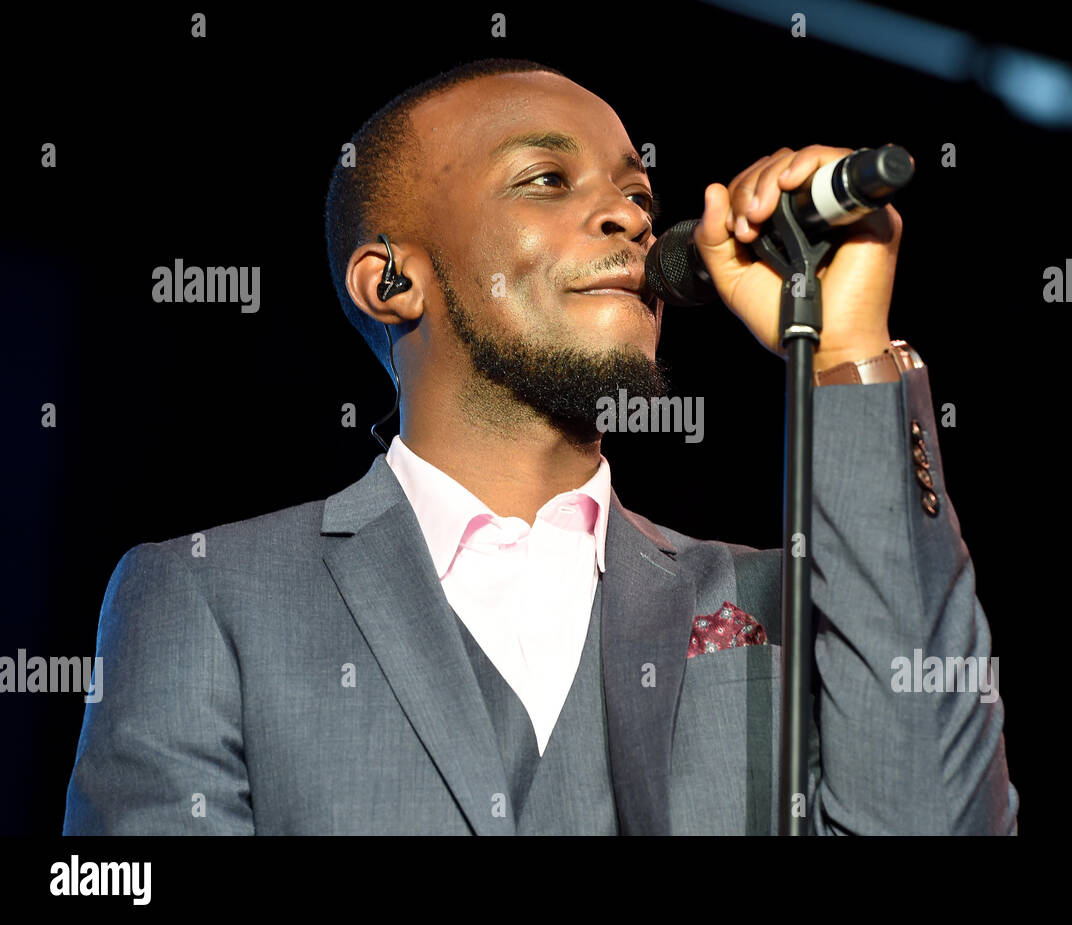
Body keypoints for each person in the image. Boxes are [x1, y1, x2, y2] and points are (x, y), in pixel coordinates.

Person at [63, 57, 1017, 835]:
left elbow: (936, 819)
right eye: (547, 180)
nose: (632, 218)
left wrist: (847, 349)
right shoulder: (205, 595)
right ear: (390, 280)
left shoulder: (779, 599)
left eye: (638, 194)